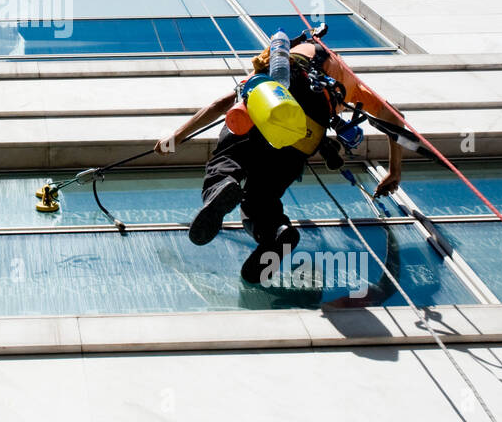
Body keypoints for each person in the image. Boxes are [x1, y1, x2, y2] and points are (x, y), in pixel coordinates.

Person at [154, 31, 407, 284]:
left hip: (274, 101)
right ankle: (275, 231)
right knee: (261, 197)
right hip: (308, 128)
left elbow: (223, 103)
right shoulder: (348, 81)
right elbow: (396, 119)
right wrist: (394, 171)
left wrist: (177, 136)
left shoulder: (280, 60)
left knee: (229, 157)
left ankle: (224, 184)